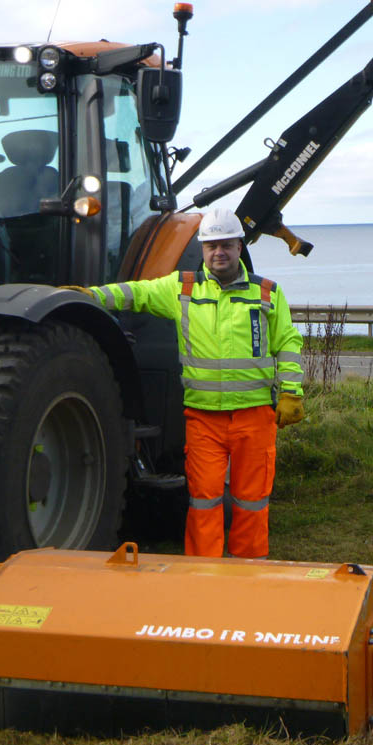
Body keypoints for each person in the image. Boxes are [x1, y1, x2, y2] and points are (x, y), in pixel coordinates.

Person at [65, 208, 305, 559]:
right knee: (204, 502)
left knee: (252, 503)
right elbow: (134, 293)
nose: (218, 252)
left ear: (240, 246)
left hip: (255, 419)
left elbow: (287, 343)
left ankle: (249, 573)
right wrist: (90, 296)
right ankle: (201, 576)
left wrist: (291, 393)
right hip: (203, 420)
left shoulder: (267, 293)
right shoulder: (182, 288)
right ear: (203, 249)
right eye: (211, 246)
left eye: (225, 244)